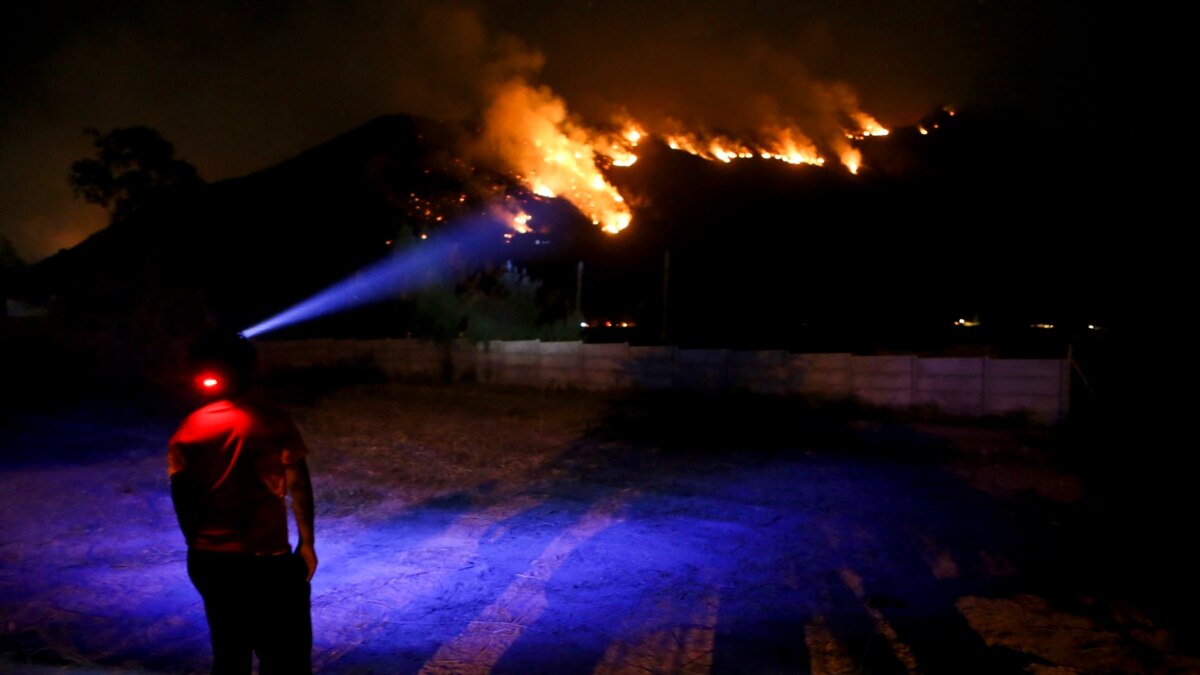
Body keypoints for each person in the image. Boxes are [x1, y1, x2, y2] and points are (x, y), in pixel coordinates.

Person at [168, 331, 317, 674]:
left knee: (229, 654)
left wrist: (198, 544)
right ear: (249, 370)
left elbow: (181, 495)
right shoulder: (273, 419)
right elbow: (299, 483)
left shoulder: (187, 430)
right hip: (266, 560)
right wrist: (307, 542)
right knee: (286, 657)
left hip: (210, 561)